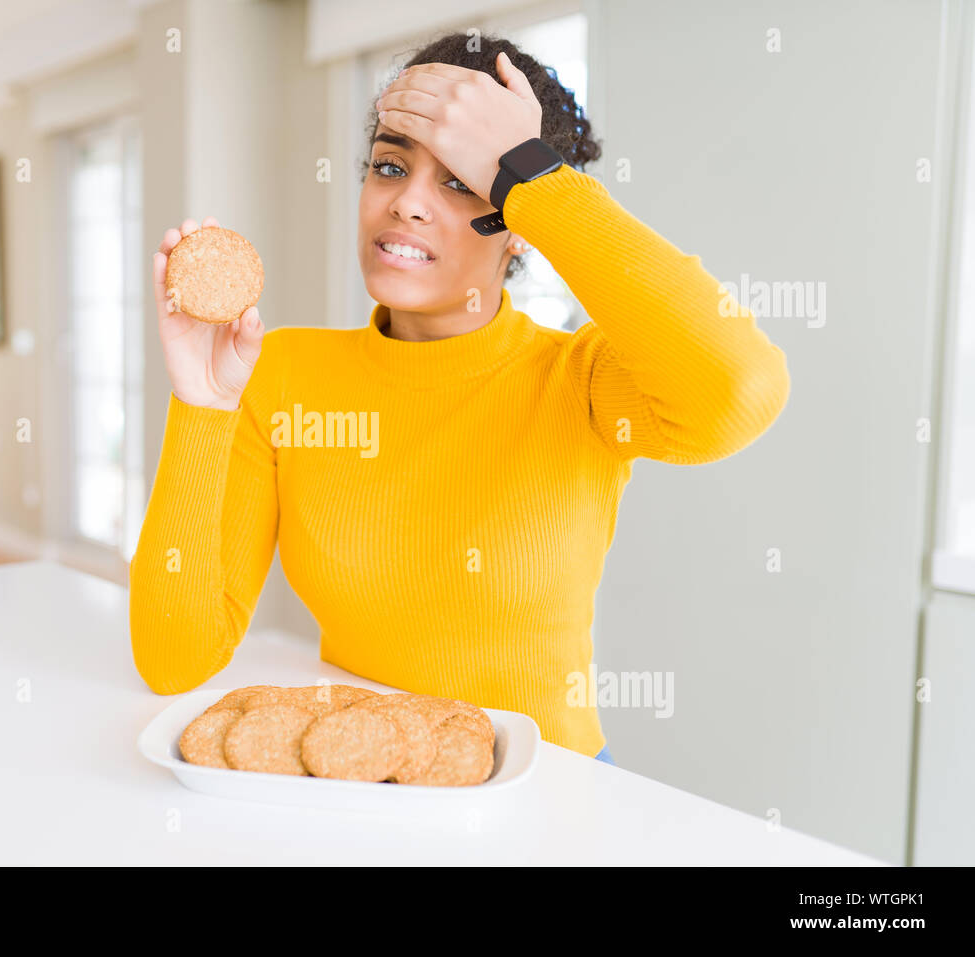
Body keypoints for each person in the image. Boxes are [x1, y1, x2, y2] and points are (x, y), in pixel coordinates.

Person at [129, 33, 790, 767]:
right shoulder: (279, 372)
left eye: (460, 182)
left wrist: (531, 176)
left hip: (548, 798)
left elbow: (740, 388)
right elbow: (173, 659)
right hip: (357, 782)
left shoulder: (582, 381)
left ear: (517, 230)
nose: (407, 202)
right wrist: (200, 405)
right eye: (389, 165)